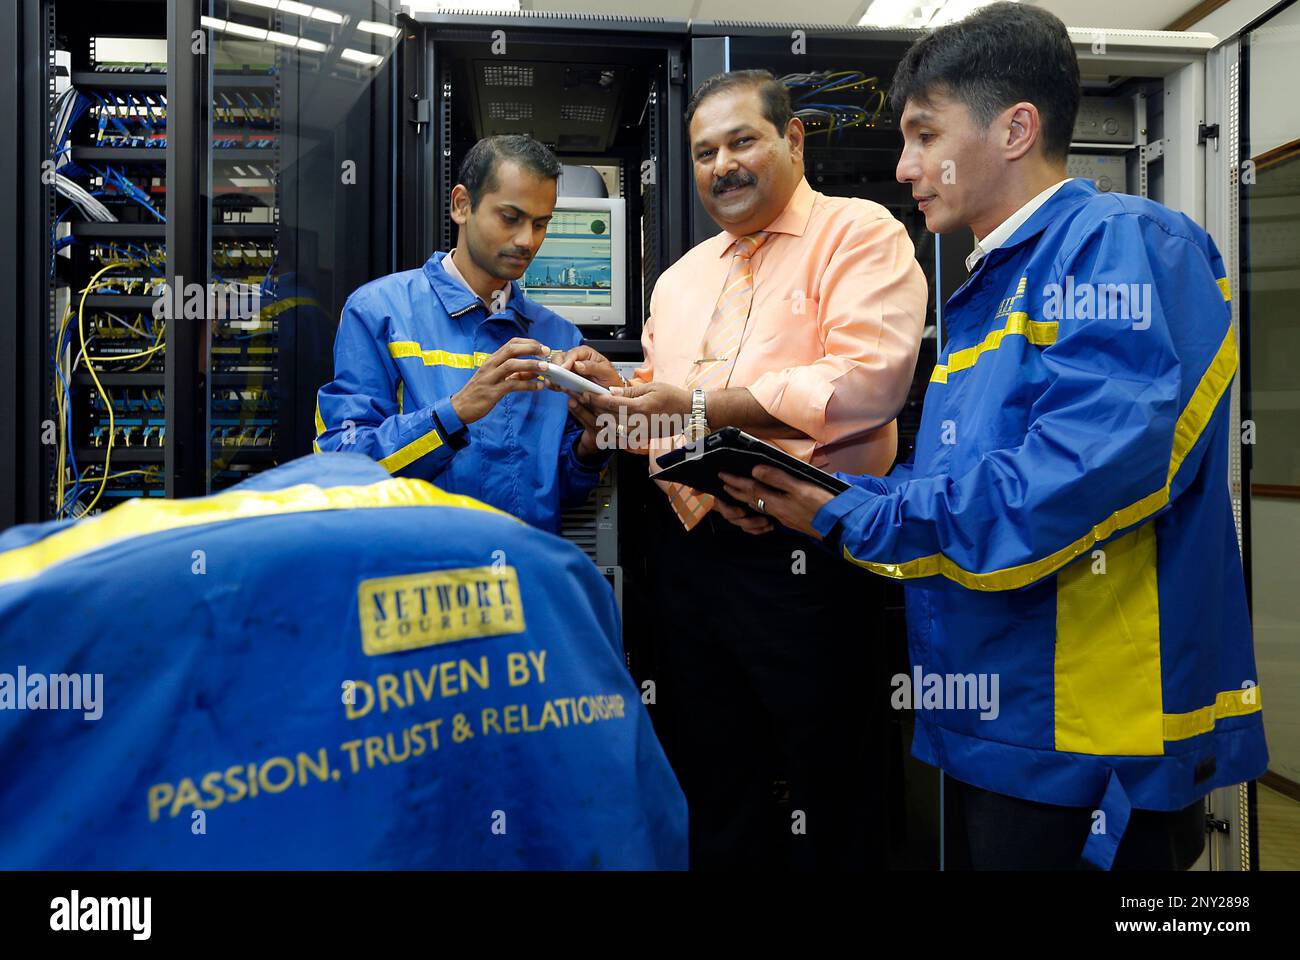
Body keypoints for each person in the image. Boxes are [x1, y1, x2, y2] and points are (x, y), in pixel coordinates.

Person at [715, 2, 1268, 870]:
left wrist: (855, 516)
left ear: (1016, 129)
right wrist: (823, 494)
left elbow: (1070, 484)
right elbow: (965, 481)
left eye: (925, 135)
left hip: (1090, 743)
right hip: (1003, 726)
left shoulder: (1122, 245)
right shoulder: (992, 288)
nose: (905, 167)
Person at [564, 70, 928, 868]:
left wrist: (701, 406)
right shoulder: (680, 278)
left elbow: (865, 383)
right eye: (705, 153)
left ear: (792, 140)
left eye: (742, 142)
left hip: (805, 553)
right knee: (712, 779)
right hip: (688, 556)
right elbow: (665, 412)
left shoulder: (859, 235)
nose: (722, 165)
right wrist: (610, 402)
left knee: (835, 784)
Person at [0, 452, 687, 869]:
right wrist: (455, 412)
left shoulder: (94, 588)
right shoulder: (556, 576)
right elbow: (642, 818)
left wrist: (590, 445)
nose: (525, 256)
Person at [314, 135, 610, 533]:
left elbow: (562, 490)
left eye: (540, 224)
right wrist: (453, 413)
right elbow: (342, 464)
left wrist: (591, 446)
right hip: (422, 565)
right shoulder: (378, 312)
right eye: (511, 218)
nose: (527, 240)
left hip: (522, 563)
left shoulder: (561, 336)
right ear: (461, 205)